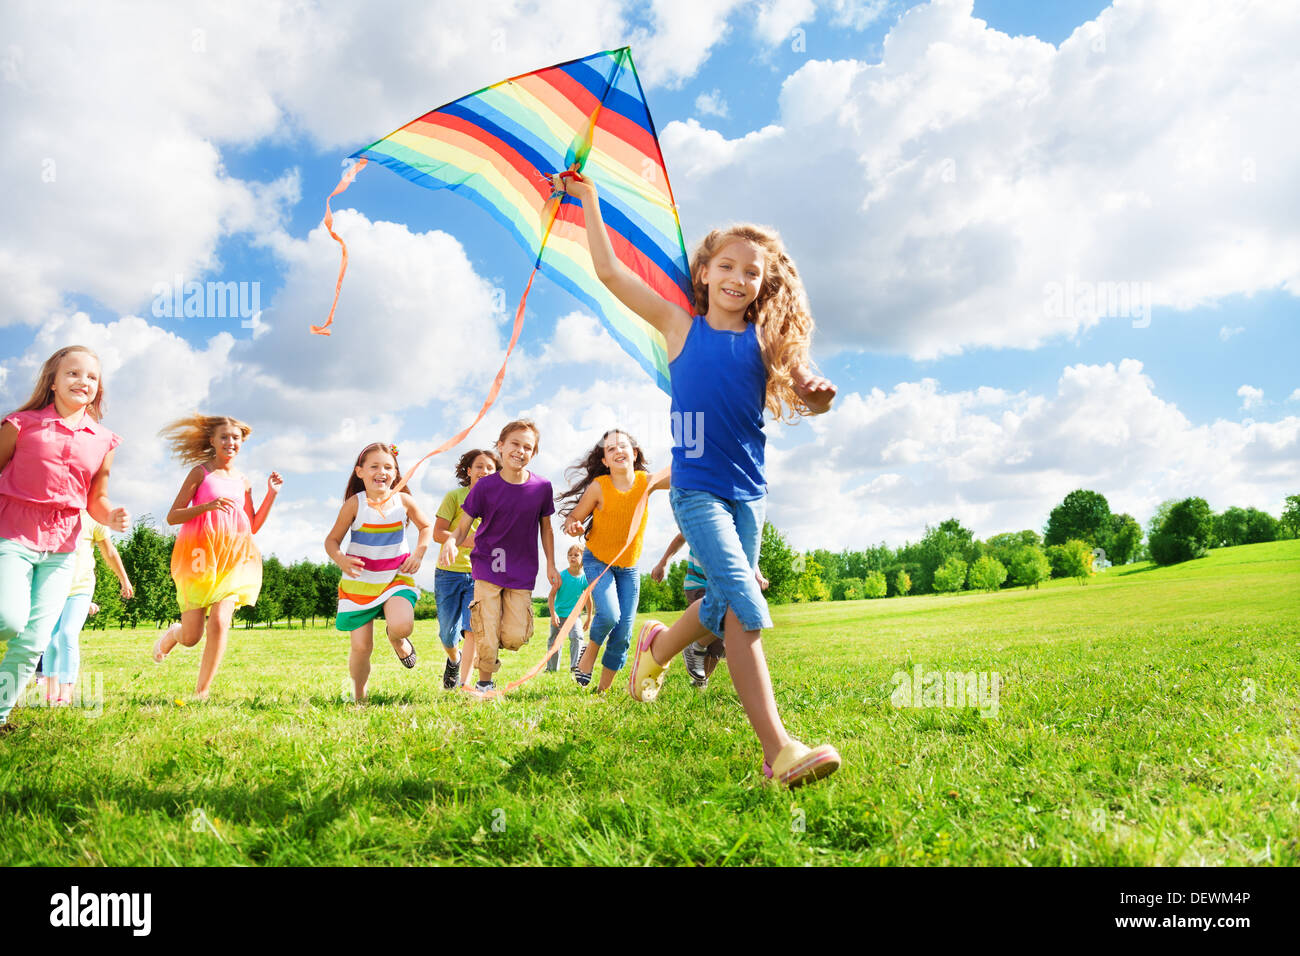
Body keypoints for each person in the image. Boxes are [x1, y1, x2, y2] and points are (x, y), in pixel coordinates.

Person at [558, 172, 842, 787]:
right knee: (744, 602)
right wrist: (589, 200)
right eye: (729, 267)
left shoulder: (769, 344)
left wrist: (817, 396)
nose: (740, 280)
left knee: (717, 603)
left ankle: (654, 652)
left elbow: (806, 393)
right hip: (697, 491)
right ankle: (779, 752)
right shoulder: (679, 326)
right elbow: (611, 275)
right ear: (706, 272)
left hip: (750, 497)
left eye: (753, 274)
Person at [0, 346, 129, 734]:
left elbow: (96, 499)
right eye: (73, 373)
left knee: (35, 639)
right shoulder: (21, 425)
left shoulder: (103, 440)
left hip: (63, 547)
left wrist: (111, 516)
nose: (82, 381)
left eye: (91, 377)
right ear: (52, 381)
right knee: (8, 620)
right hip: (13, 533)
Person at [153, 415, 282, 701]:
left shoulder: (243, 481)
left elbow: (253, 525)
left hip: (233, 557)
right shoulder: (201, 473)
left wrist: (271, 494)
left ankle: (202, 691)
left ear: (242, 442)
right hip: (199, 554)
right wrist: (207, 506)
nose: (230, 442)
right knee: (191, 637)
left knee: (221, 621)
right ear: (212, 441)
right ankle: (175, 633)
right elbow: (173, 516)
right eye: (224, 437)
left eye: (235, 438)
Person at [439, 420, 558, 694]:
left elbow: (547, 528)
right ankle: (484, 681)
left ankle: (490, 647)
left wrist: (551, 564)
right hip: (487, 566)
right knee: (485, 628)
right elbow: (462, 525)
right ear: (501, 446)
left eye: (528, 447)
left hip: (522, 570)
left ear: (534, 453)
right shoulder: (485, 487)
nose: (520, 450)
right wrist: (451, 544)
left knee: (515, 636)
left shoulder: (542, 487)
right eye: (515, 444)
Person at [556, 429, 669, 692]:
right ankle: (590, 651)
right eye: (611, 449)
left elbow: (684, 473)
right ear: (605, 461)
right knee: (609, 615)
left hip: (628, 568)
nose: (618, 451)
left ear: (634, 453)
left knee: (624, 632)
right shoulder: (600, 487)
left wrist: (698, 439)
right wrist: (573, 526)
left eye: (623, 446)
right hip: (598, 560)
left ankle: (602, 692)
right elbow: (573, 518)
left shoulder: (646, 482)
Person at [325, 443, 433, 702]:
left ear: (396, 474)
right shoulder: (354, 504)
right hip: (359, 584)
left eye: (388, 467)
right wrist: (342, 560)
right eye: (374, 466)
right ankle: (359, 697)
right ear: (360, 472)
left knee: (403, 626)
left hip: (396, 578)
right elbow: (331, 541)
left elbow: (426, 526)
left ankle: (396, 640)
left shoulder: (403, 501)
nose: (381, 471)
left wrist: (418, 553)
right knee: (361, 647)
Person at [39, 509, 134, 705]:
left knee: (67, 634)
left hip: (81, 587)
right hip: (53, 587)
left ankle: (65, 692)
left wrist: (124, 580)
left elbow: (109, 552)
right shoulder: (51, 512)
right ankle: (51, 690)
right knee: (52, 640)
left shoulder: (92, 517)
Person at [650, 530, 768, 689]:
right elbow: (679, 538)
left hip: (722, 584)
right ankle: (695, 646)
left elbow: (747, 553)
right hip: (698, 584)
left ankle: (700, 682)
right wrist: (663, 563)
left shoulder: (738, 522)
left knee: (717, 644)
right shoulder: (705, 515)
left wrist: (757, 575)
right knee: (723, 617)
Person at [432, 448, 501, 690]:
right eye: (479, 466)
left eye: (490, 468)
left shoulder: (498, 503)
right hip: (448, 573)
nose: (484, 471)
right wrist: (470, 540)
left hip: (479, 576)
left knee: (471, 629)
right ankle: (454, 658)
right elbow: (437, 533)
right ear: (469, 471)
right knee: (447, 634)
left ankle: (464, 683)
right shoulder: (455, 496)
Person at [546, 544, 590, 674]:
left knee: (577, 637)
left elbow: (588, 599)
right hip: (559, 615)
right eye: (570, 555)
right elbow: (551, 596)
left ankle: (575, 667)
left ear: (583, 558)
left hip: (574, 616)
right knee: (554, 641)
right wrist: (553, 614)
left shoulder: (584, 578)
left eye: (576, 555)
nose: (572, 557)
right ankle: (551, 669)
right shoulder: (561, 576)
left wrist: (589, 617)